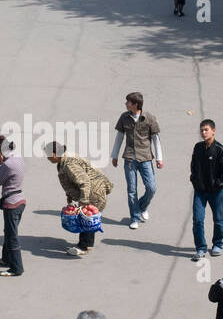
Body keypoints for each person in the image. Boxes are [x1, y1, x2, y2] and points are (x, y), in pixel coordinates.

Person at [46, 143, 113, 257]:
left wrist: (84, 201)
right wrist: (70, 195)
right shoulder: (64, 159)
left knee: (86, 219)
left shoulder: (69, 164)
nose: (47, 158)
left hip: (94, 193)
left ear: (54, 154)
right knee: (85, 218)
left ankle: (84, 246)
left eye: (48, 155)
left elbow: (84, 181)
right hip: (92, 191)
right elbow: (71, 181)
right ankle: (85, 244)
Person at [110, 91, 163, 228]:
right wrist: (114, 155)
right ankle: (135, 217)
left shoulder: (149, 118)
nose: (126, 104)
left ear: (135, 104)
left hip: (145, 158)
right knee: (132, 190)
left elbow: (156, 139)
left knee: (151, 188)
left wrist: (159, 158)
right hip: (129, 159)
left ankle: (141, 207)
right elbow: (119, 137)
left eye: (128, 102)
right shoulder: (124, 117)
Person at [190, 118, 223, 260]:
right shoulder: (198, 147)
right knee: (198, 219)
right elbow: (193, 166)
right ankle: (201, 248)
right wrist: (194, 180)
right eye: (201, 130)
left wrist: (218, 184)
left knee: (218, 219)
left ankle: (218, 244)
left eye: (206, 130)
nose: (203, 132)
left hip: (216, 192)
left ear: (213, 131)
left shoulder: (220, 150)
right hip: (200, 192)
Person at [0, 133, 26, 277]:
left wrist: (0, 162)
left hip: (11, 204)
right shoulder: (18, 157)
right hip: (20, 199)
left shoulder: (7, 164)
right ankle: (6, 259)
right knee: (9, 231)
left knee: (12, 236)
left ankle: (16, 268)